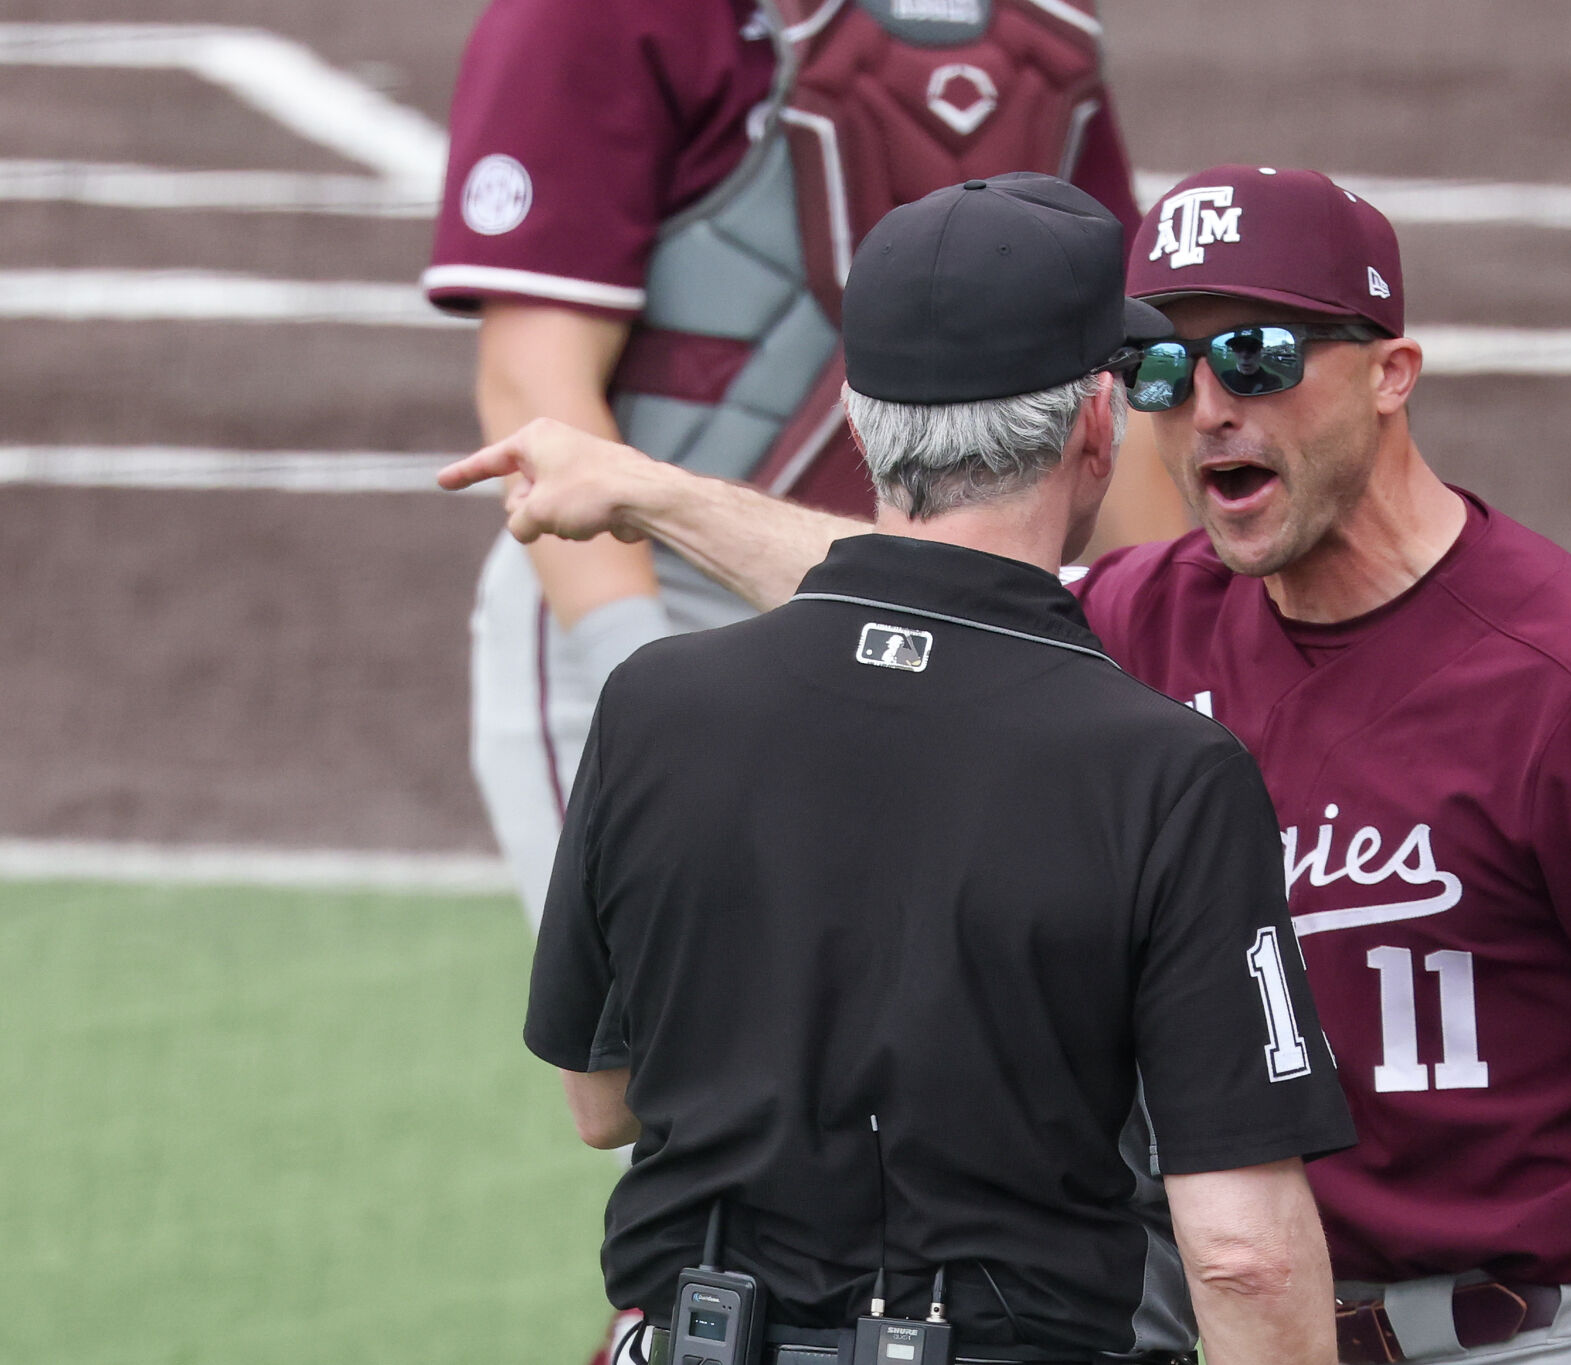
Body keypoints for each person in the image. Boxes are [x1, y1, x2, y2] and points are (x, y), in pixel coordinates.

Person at [445, 165, 1571, 1365]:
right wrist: (653, 492)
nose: (1211, 410)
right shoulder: (1146, 620)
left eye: (1261, 357)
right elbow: (928, 603)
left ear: (1393, 373)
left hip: (1520, 1329)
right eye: (1170, 368)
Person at [524, 173, 1356, 1365]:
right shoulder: (1167, 772)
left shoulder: (657, 703)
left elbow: (603, 1103)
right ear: (1089, 431)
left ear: (864, 428)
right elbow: (1241, 1253)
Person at [420, 0, 1171, 932]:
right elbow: (532, 378)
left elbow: (1103, 363)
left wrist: (1180, 663)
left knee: (947, 1037)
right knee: (660, 1057)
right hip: (660, 602)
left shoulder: (1028, 28)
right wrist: (648, 686)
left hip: (950, 622)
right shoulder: (600, 16)